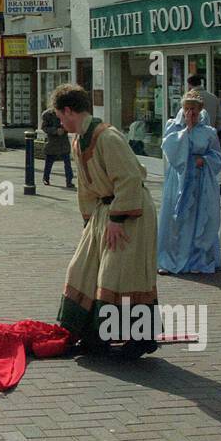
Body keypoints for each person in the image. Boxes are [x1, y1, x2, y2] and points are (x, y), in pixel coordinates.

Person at [53, 85, 159, 358]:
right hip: (104, 211)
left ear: (68, 111)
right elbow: (85, 187)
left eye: (59, 116)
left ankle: (140, 339)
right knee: (82, 268)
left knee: (123, 275)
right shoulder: (77, 140)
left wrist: (118, 219)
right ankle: (91, 334)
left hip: (129, 212)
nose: (59, 122)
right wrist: (90, 220)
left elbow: (129, 179)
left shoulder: (107, 137)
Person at [157, 90, 221, 275]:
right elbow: (169, 150)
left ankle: (198, 259)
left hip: (200, 179)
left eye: (193, 109)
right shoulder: (173, 127)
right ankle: (169, 259)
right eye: (187, 109)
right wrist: (186, 129)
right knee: (174, 218)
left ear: (200, 110)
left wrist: (205, 160)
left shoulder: (209, 132)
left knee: (200, 217)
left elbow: (217, 156)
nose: (190, 113)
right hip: (178, 179)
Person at [40, 106, 74, 188]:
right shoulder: (48, 114)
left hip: (63, 141)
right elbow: (44, 127)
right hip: (52, 142)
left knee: (67, 162)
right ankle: (46, 178)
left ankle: (69, 181)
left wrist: (65, 129)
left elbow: (72, 125)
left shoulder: (66, 113)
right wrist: (55, 131)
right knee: (49, 161)